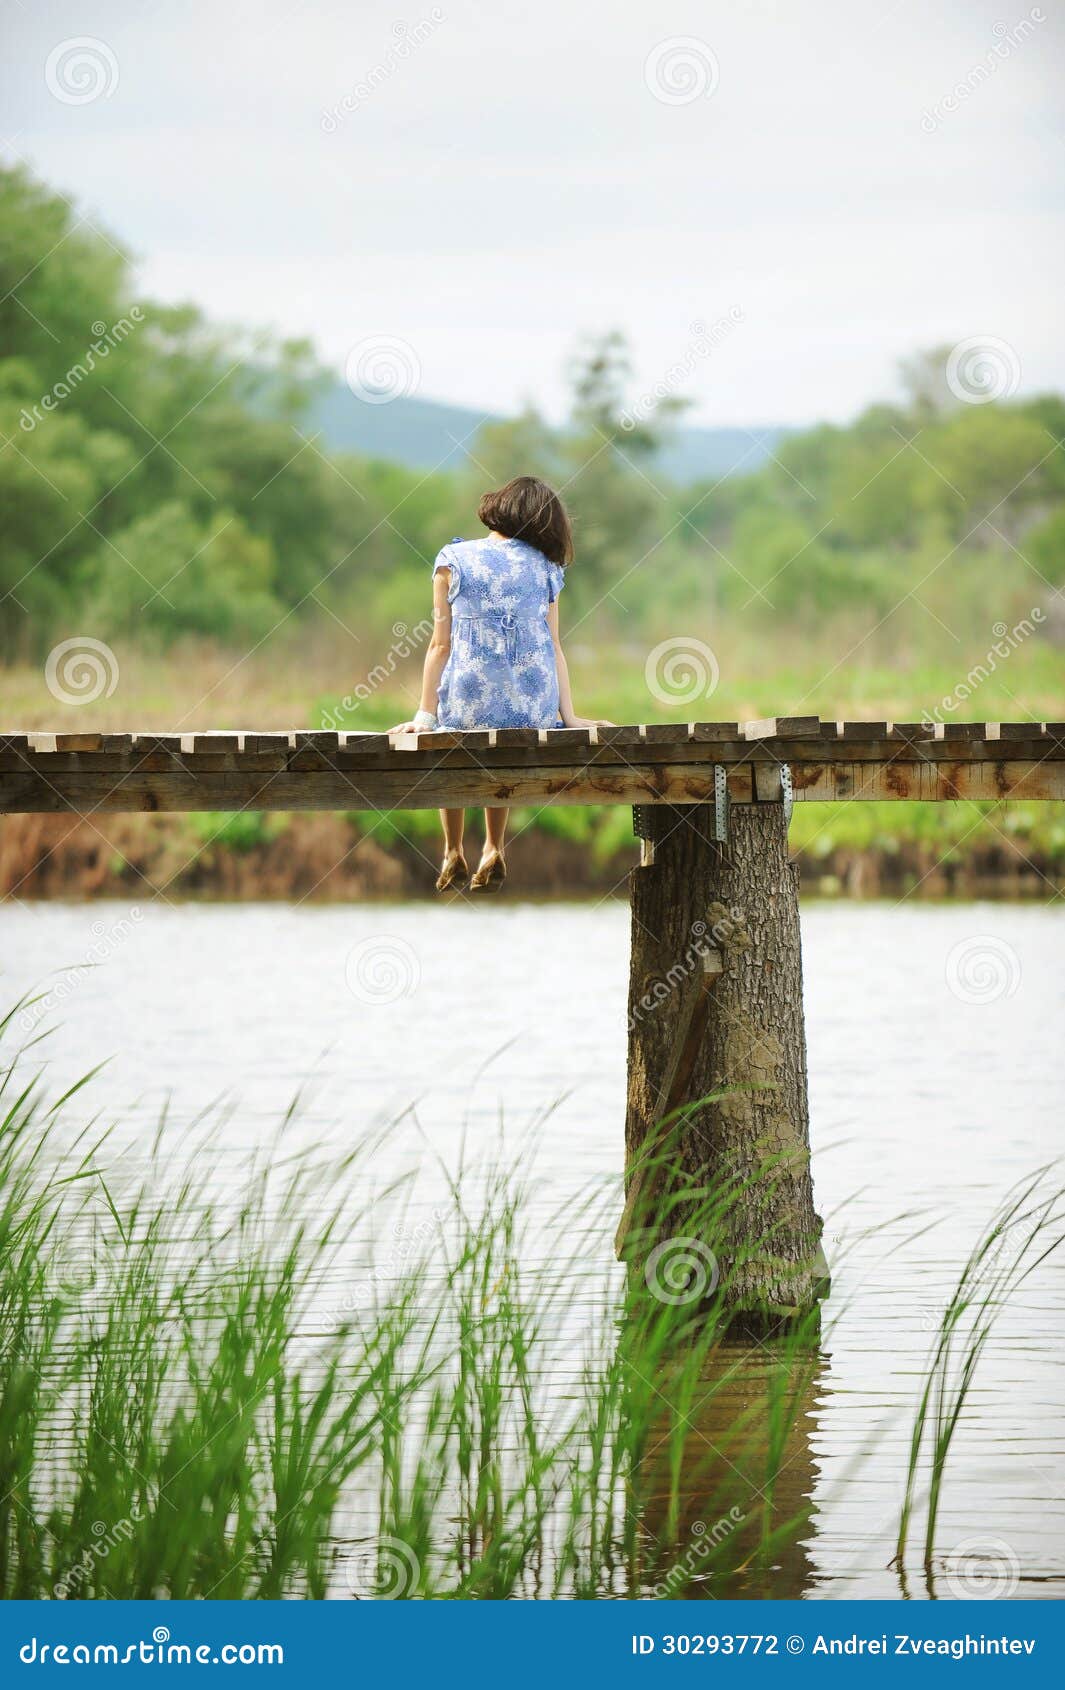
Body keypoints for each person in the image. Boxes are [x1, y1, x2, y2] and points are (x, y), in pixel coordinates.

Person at [392, 475, 610, 892]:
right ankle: (494, 845)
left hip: (466, 705)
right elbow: (554, 647)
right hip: (532, 709)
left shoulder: (452, 559)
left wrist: (424, 715)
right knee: (503, 742)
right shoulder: (547, 568)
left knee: (451, 738)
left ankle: (452, 849)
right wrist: (569, 716)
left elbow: (440, 645)